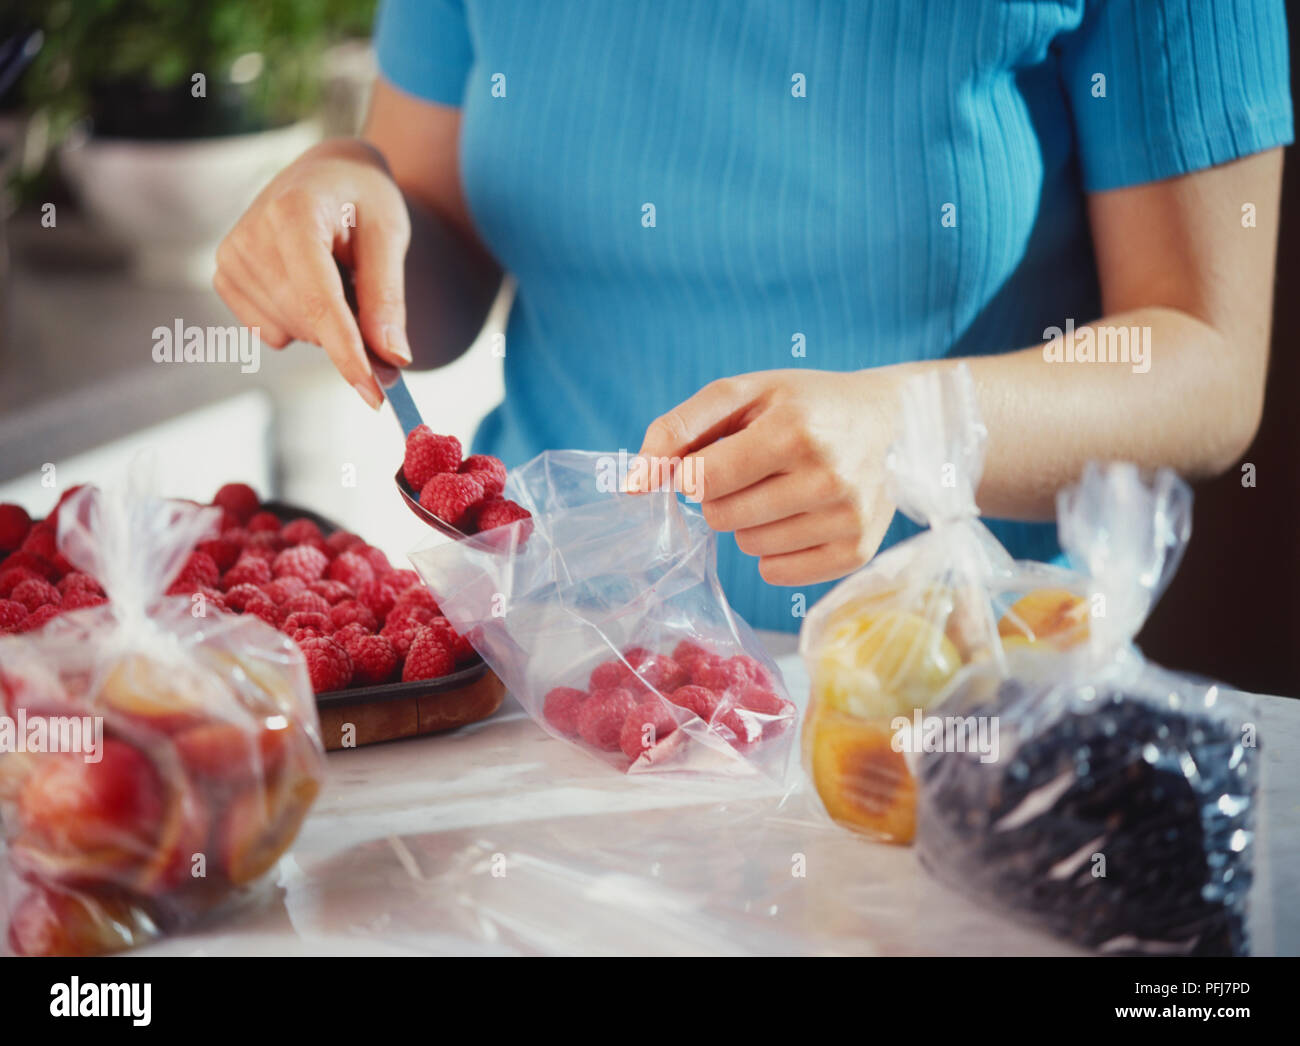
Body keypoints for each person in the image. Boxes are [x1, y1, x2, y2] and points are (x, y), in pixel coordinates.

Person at [216, 0, 1292, 633]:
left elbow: (1203, 359)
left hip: (950, 704)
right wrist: (342, 188)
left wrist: (907, 429)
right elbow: (435, 248)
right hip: (550, 667)